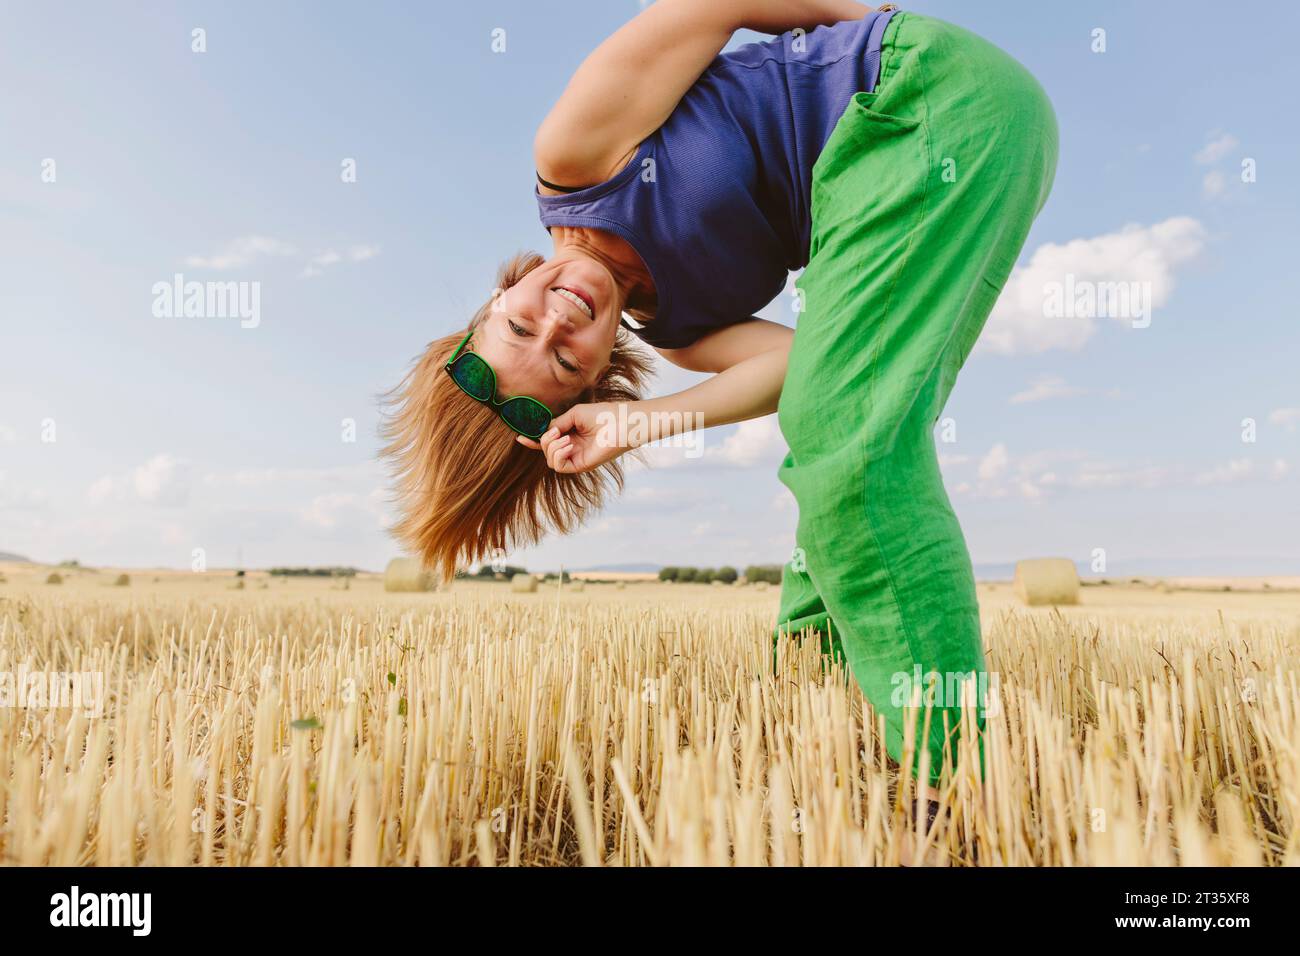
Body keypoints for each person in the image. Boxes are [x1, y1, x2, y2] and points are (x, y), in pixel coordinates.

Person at [383, 0, 1058, 823]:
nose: (558, 321)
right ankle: (813, 691)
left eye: (521, 327)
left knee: (848, 438)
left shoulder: (576, 157)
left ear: (494, 301)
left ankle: (949, 779)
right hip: (950, 147)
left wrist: (882, 26)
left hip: (916, 97)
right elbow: (801, 371)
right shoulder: (681, 330)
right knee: (834, 417)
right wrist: (635, 425)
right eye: (563, 361)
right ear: (596, 379)